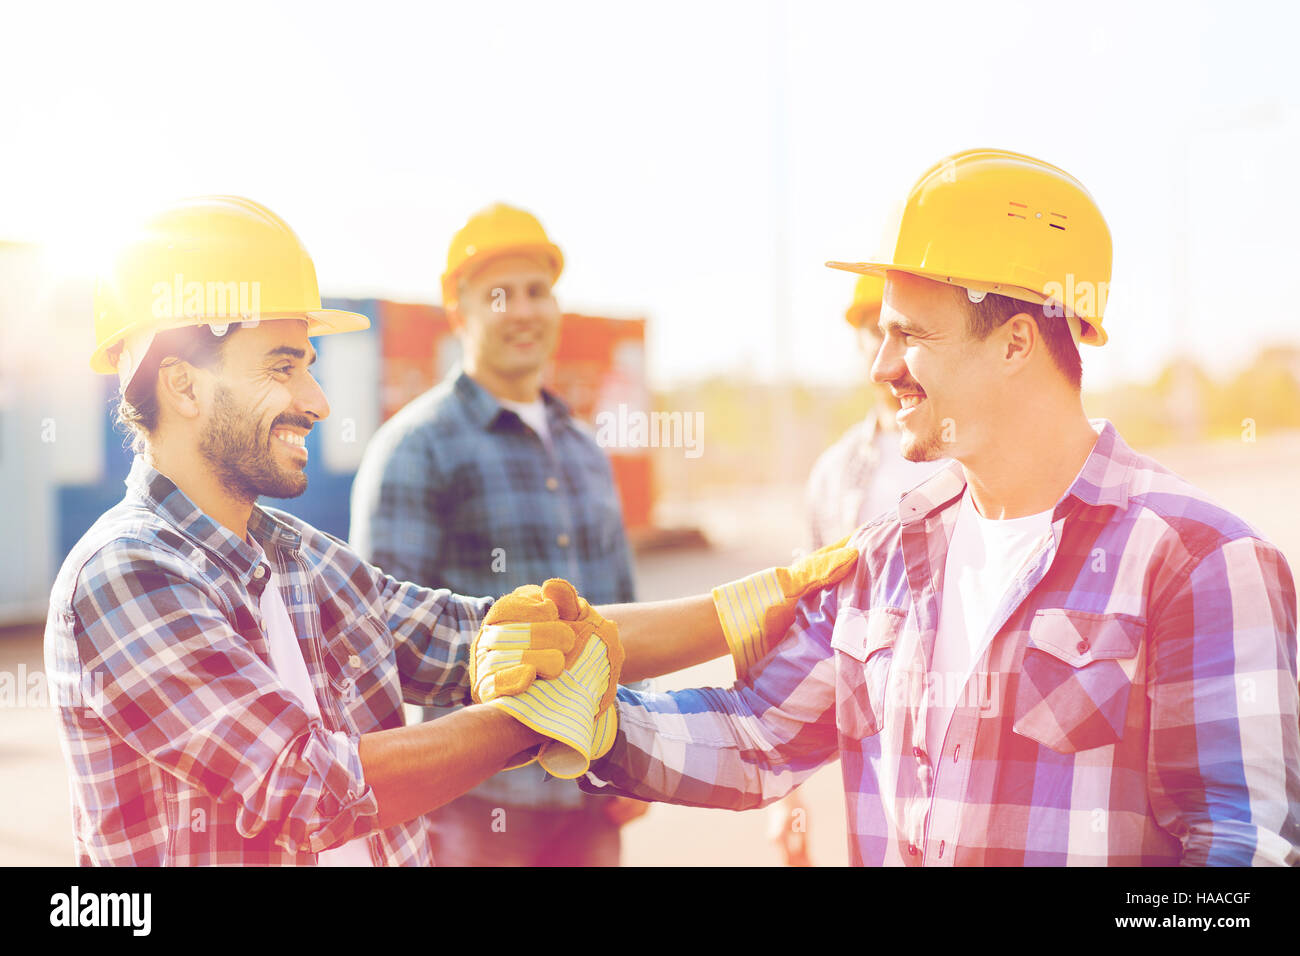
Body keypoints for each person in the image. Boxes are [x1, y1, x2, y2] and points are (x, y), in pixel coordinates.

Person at [483, 148, 1300, 865]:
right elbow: (758, 732)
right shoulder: (891, 551)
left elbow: (1241, 850)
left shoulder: (1199, 564)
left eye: (909, 335)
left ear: (1016, 342)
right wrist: (589, 716)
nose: (882, 367)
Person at [48, 195, 831, 866]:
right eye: (283, 366)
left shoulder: (296, 560)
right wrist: (535, 719)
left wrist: (756, 604)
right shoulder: (126, 575)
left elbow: (475, 635)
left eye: (308, 366)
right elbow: (307, 785)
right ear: (184, 384)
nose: (317, 400)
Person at [349, 203, 646, 866]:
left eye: (538, 292)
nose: (523, 311)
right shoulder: (415, 449)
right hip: (478, 809)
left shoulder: (584, 449)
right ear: (460, 314)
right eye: (500, 295)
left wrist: (639, 748)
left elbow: (619, 618)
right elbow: (373, 645)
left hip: (593, 791)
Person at [771, 274, 945, 865]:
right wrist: (785, 798)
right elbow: (800, 634)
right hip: (880, 751)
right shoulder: (835, 476)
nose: (885, 349)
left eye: (901, 328)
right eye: (872, 330)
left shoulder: (974, 450)